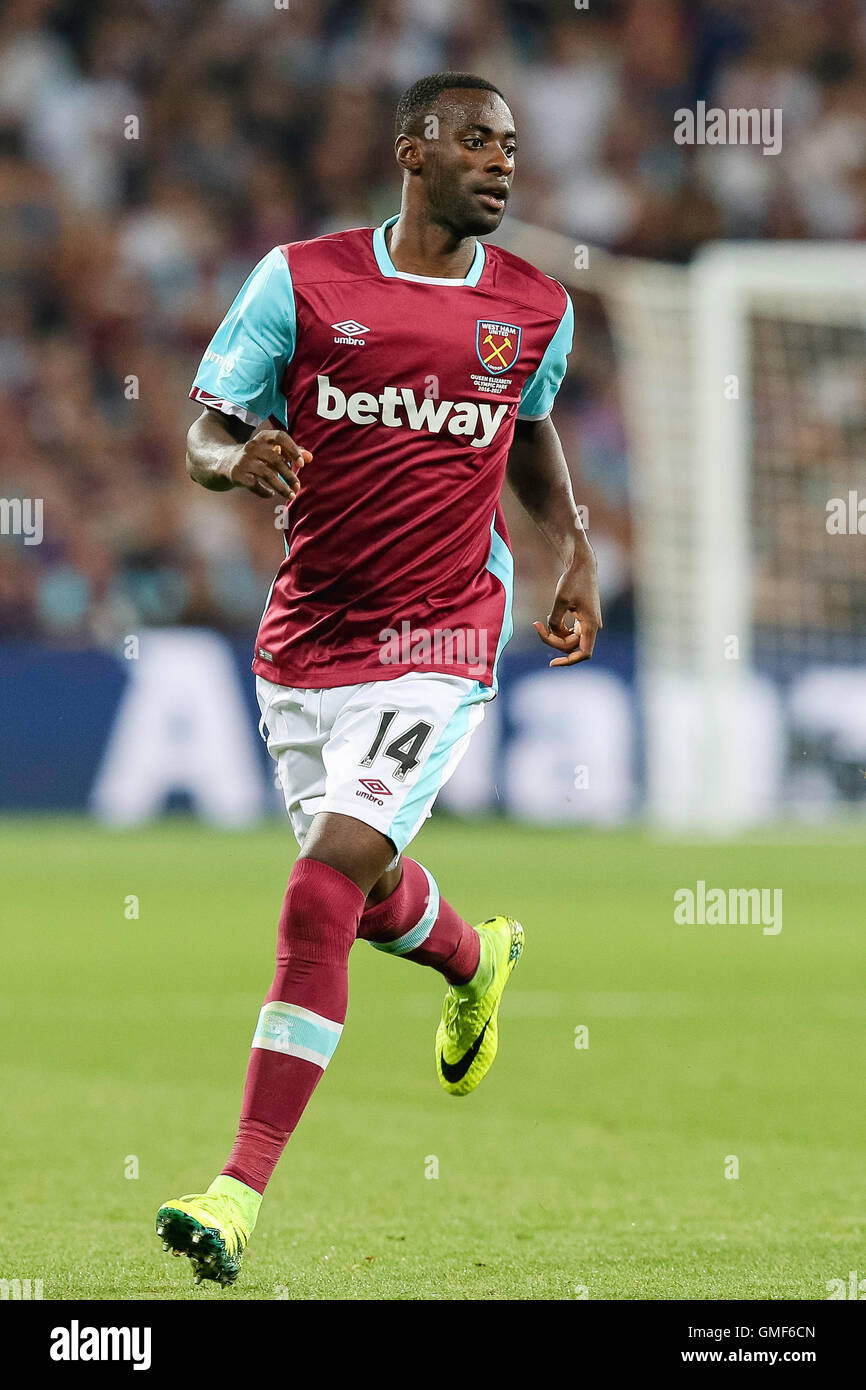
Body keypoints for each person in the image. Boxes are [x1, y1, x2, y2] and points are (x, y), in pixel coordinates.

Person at [156, 72, 601, 1286]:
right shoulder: (300, 281)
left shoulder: (534, 307)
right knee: (360, 887)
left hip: (443, 633)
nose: (499, 162)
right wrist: (235, 458)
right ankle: (472, 957)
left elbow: (527, 426)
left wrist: (572, 551)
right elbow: (202, 430)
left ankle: (236, 1191)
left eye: (510, 145)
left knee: (320, 888)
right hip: (306, 639)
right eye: (474, 141)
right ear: (412, 151)